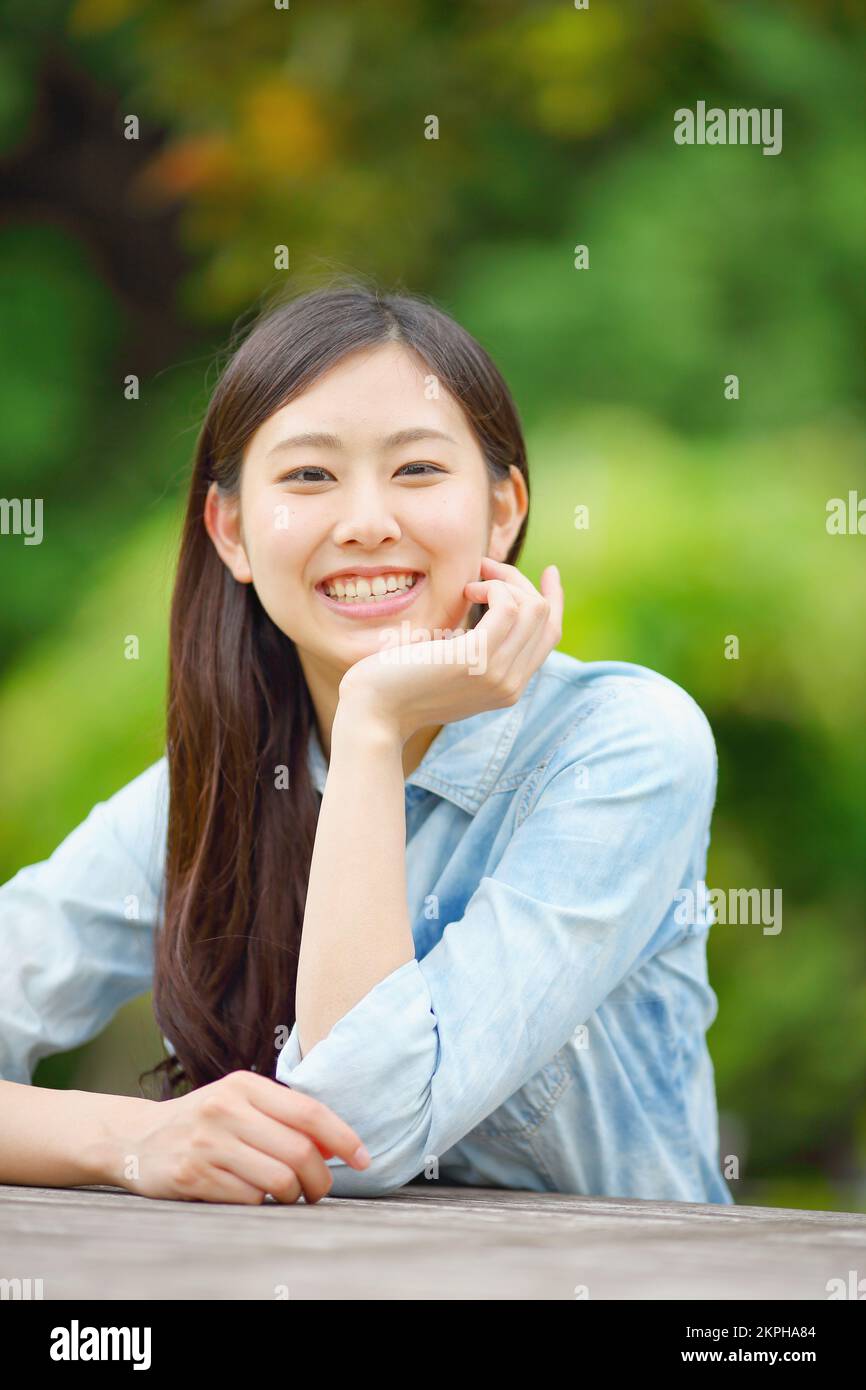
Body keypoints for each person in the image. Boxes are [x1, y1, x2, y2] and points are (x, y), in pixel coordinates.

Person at [0, 280, 733, 1207]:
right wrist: (133, 1138)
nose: (366, 521)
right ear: (229, 529)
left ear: (503, 512)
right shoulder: (213, 790)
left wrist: (374, 723)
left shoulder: (624, 749)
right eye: (309, 476)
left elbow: (362, 1135)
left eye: (418, 470)